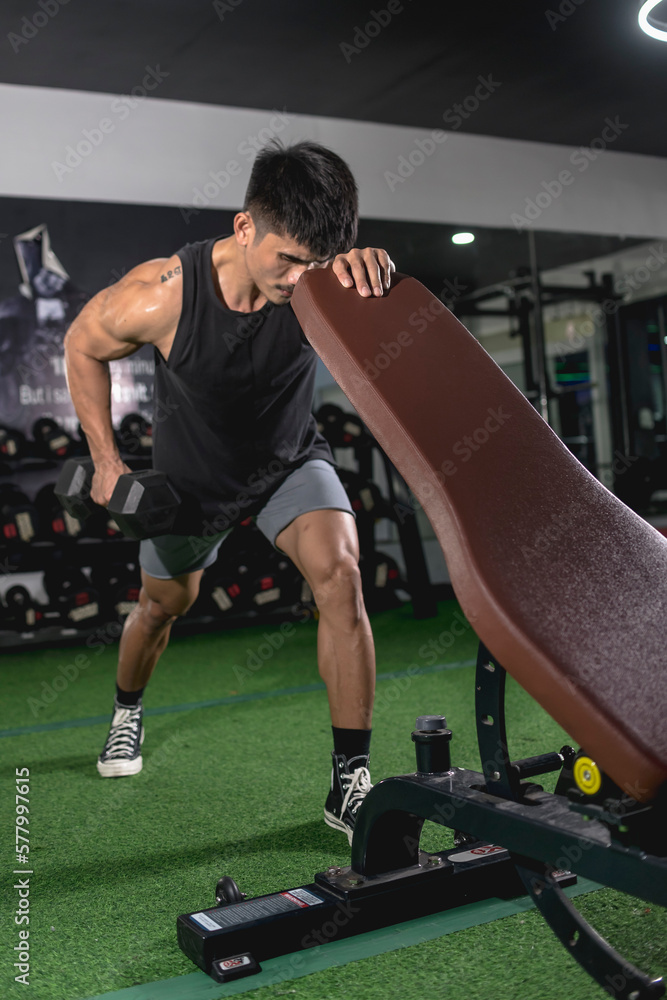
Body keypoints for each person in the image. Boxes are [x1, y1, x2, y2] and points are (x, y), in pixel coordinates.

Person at [63, 139, 395, 844]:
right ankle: (126, 713)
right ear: (246, 228)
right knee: (160, 607)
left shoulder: (325, 279)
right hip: (190, 484)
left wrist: (374, 271)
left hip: (287, 463)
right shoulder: (163, 292)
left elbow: (378, 307)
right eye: (290, 260)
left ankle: (349, 779)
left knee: (340, 577)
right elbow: (82, 345)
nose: (304, 279)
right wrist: (104, 460)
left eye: (319, 261)